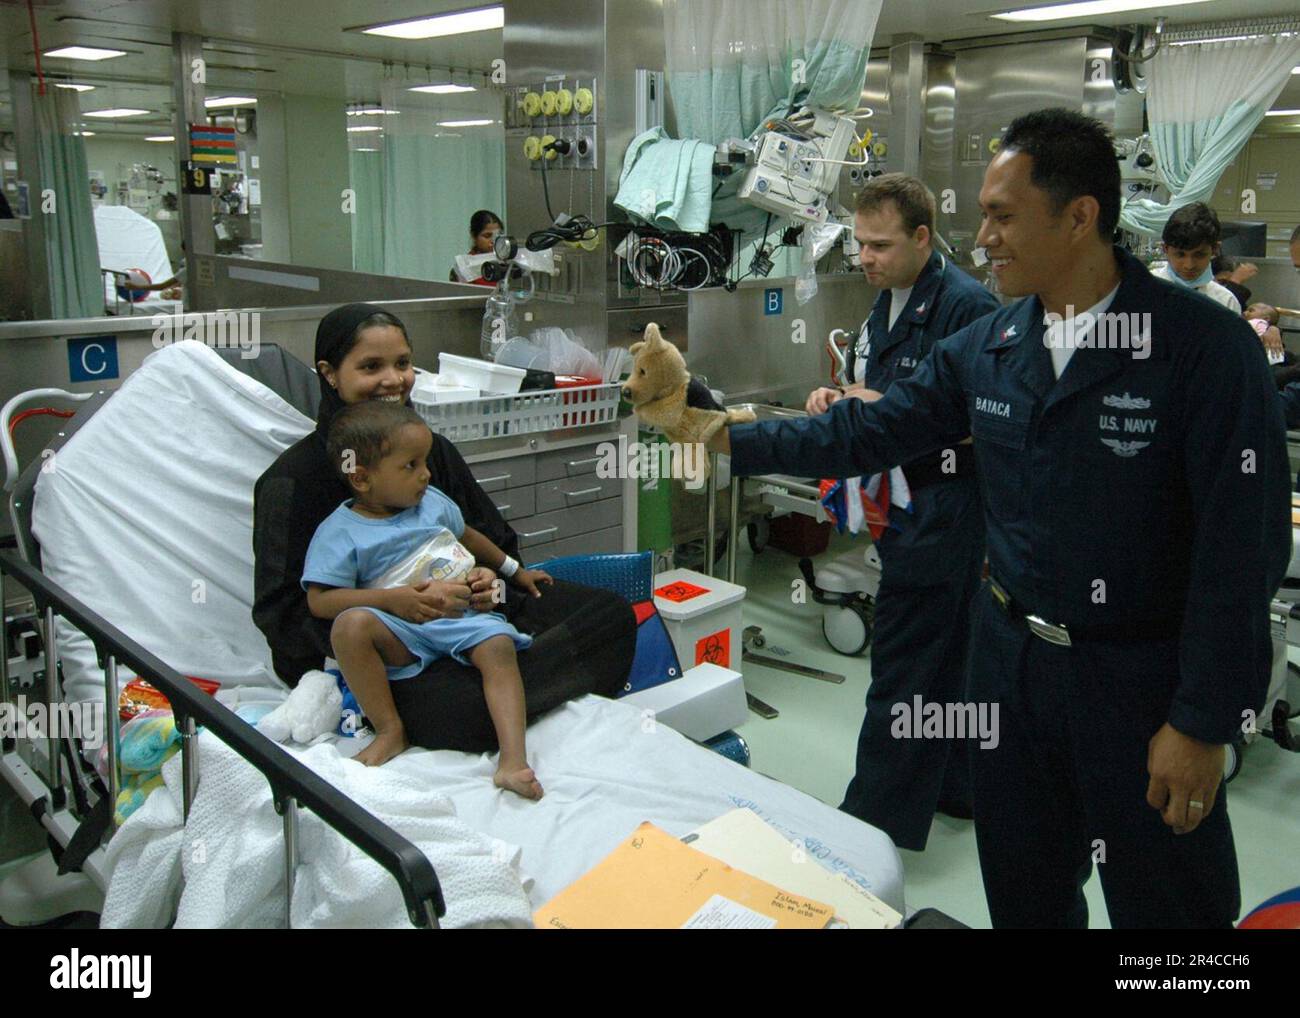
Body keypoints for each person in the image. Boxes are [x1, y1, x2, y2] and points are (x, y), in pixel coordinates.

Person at [705, 108, 1291, 928]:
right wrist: (726, 439)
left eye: (1003, 216)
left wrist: (1201, 722)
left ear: (1080, 215)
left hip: (1139, 683)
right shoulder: (992, 343)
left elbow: (1244, 551)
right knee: (1025, 891)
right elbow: (872, 426)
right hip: (1010, 671)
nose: (983, 238)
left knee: (1170, 915)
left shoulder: (1199, 351)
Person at [253, 303, 637, 754]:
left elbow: (489, 537)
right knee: (460, 706)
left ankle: (502, 686)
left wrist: (486, 583)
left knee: (612, 614)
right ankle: (505, 693)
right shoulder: (292, 480)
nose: (393, 380)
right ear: (330, 373)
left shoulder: (430, 452)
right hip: (392, 649)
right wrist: (396, 614)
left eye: (402, 363)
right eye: (371, 366)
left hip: (471, 617)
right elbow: (283, 615)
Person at [805, 173, 999, 850]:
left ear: (922, 237)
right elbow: (871, 387)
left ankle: (871, 825)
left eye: (880, 245)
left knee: (905, 666)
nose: (865, 257)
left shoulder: (968, 309)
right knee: (950, 659)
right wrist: (838, 398)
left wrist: (879, 409)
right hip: (902, 504)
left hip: (945, 508)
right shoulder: (884, 305)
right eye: (859, 243)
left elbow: (987, 421)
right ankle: (960, 789)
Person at [1149, 203, 1242, 313]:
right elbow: (1130, 330)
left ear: (1215, 249)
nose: (1189, 265)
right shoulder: (1142, 291)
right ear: (1165, 249)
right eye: (1180, 255)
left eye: (1199, 255)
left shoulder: (1225, 302)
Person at [449, 210, 503, 285]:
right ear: (474, 236)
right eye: (487, 236)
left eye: (498, 236)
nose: (493, 241)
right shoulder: (464, 267)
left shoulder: (508, 264)